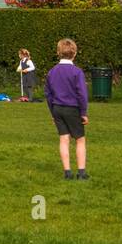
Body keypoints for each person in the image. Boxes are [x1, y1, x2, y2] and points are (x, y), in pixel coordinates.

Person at [43, 38, 89, 180]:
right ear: (74, 53)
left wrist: (52, 112)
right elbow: (82, 93)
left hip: (57, 108)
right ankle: (81, 173)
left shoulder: (52, 72)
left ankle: (67, 172)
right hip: (72, 109)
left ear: (58, 53)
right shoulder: (77, 72)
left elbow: (48, 94)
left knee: (64, 139)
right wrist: (83, 112)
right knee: (80, 140)